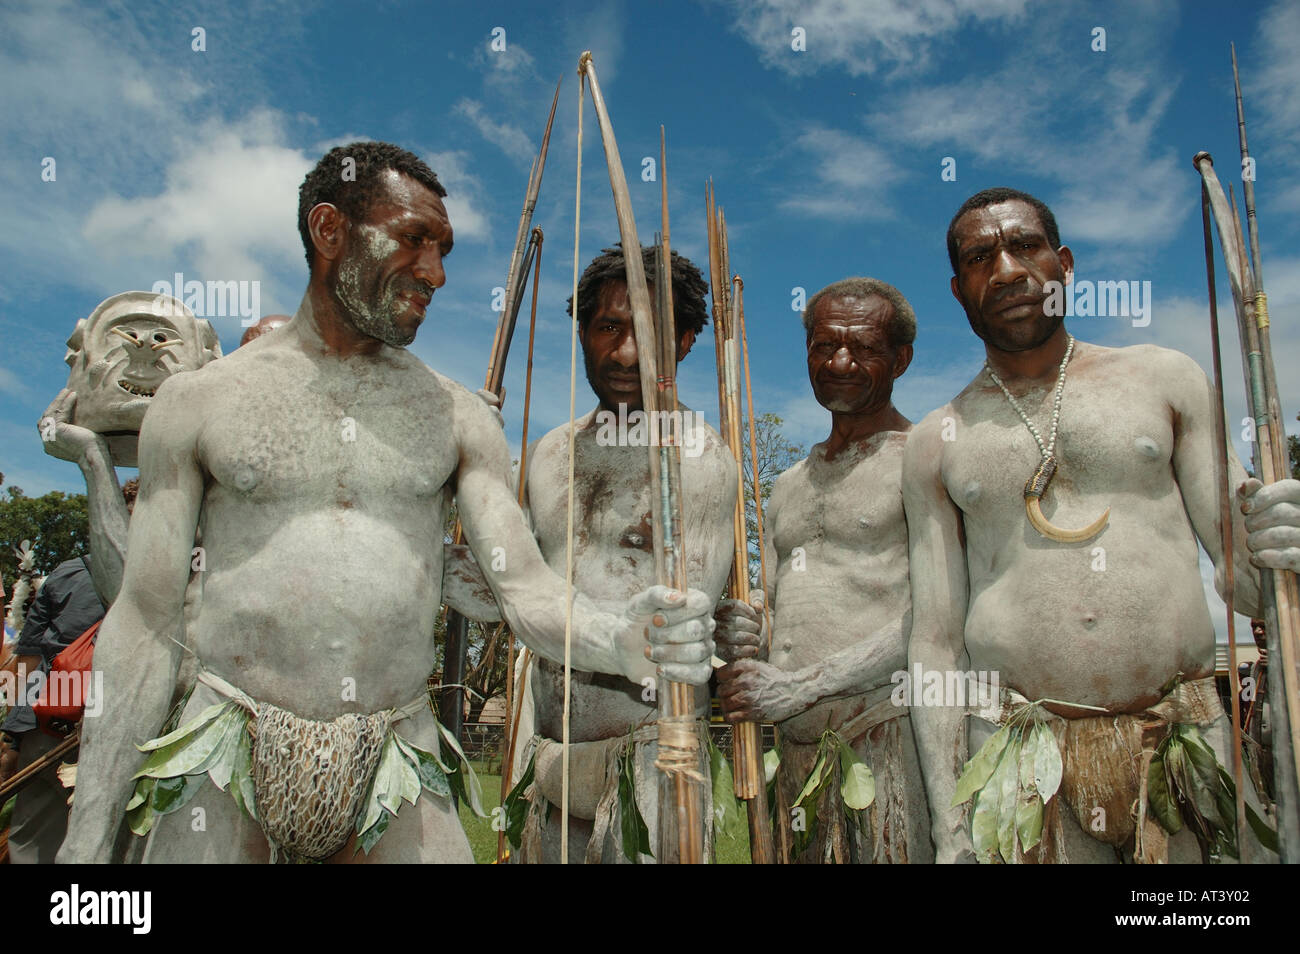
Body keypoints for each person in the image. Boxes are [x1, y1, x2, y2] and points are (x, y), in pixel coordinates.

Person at [58, 142, 717, 865]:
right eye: (413, 240)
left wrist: (620, 638)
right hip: (228, 745)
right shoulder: (199, 402)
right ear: (330, 230)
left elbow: (525, 589)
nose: (435, 273)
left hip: (394, 754)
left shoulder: (459, 417)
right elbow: (146, 622)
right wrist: (86, 841)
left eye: (443, 250)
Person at [904, 186, 1300, 863]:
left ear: (1064, 265)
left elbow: (1242, 577)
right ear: (958, 289)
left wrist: (1283, 549)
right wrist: (950, 829)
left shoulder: (1163, 379)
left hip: (1182, 745)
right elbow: (936, 643)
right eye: (979, 257)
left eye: (1024, 246)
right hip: (1020, 762)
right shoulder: (935, 440)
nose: (1005, 270)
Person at [510, 244, 736, 863]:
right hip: (550, 752)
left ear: (686, 341)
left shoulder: (702, 458)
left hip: (652, 760)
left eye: (651, 332)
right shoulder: (550, 454)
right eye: (608, 327)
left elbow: (684, 626)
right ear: (582, 332)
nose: (626, 353)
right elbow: (522, 591)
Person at [714, 278, 932, 863]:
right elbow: (783, 604)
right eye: (823, 346)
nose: (840, 362)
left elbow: (941, 616)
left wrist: (802, 686)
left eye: (862, 347)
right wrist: (750, 627)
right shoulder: (787, 486)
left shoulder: (926, 461)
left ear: (901, 359)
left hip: (889, 739)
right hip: (795, 753)